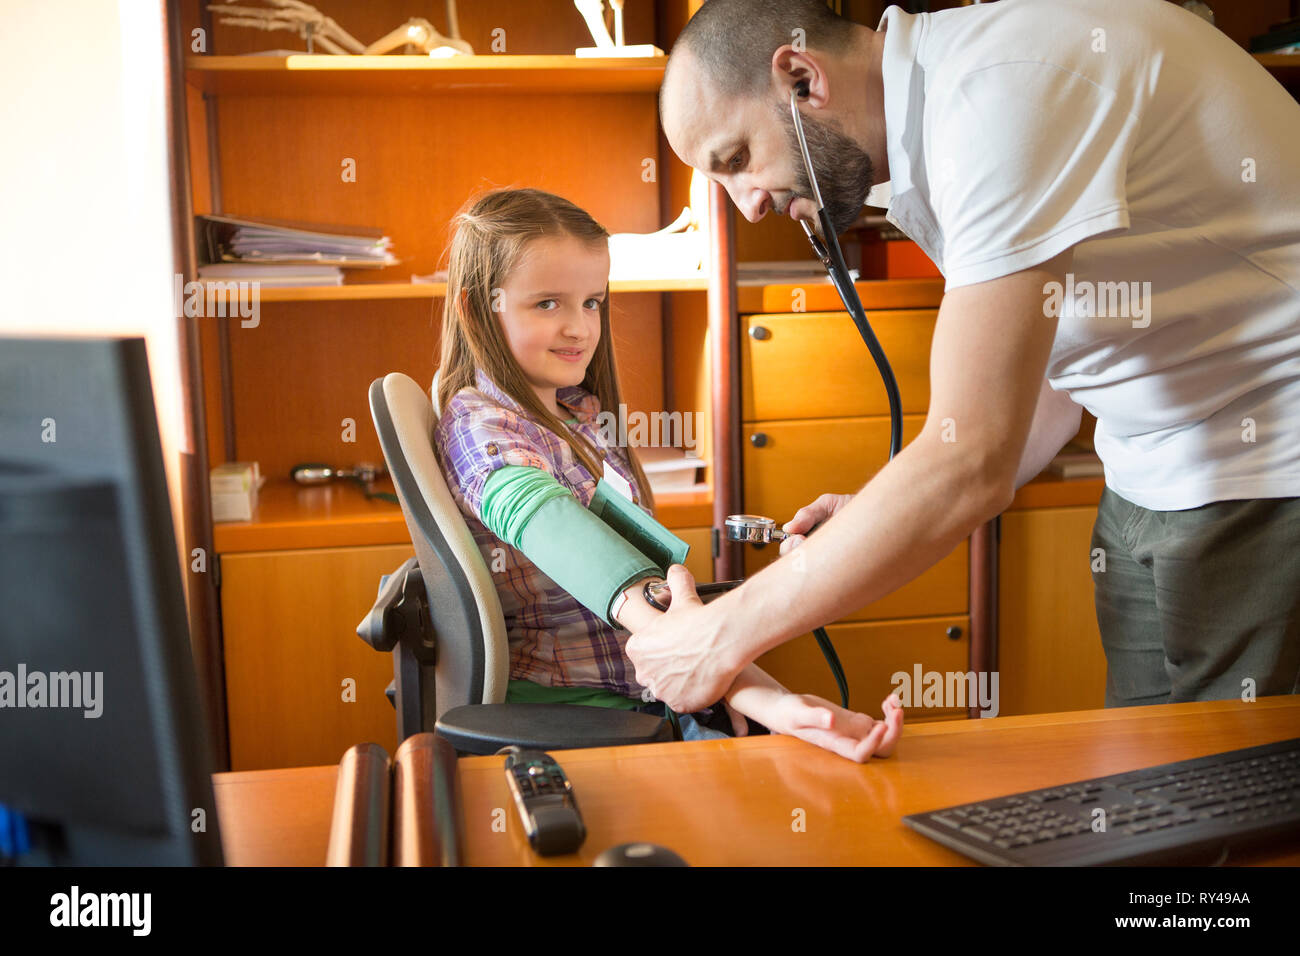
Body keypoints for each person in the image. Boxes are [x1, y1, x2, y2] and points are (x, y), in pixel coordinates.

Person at [632, 0, 1300, 714]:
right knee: (1147, 792)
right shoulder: (936, 118)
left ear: (801, 77)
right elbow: (1037, 378)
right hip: (1150, 466)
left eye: (736, 160)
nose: (749, 205)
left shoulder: (998, 93)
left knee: (1234, 795)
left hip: (1266, 464)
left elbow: (971, 459)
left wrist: (719, 637)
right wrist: (880, 514)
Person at [432, 187, 903, 761]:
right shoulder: (479, 425)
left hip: (653, 691)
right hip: (591, 713)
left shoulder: (576, 411)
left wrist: (770, 697)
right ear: (475, 307)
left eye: (592, 302)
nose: (579, 327)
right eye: (547, 303)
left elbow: (665, 605)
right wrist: (771, 705)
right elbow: (550, 524)